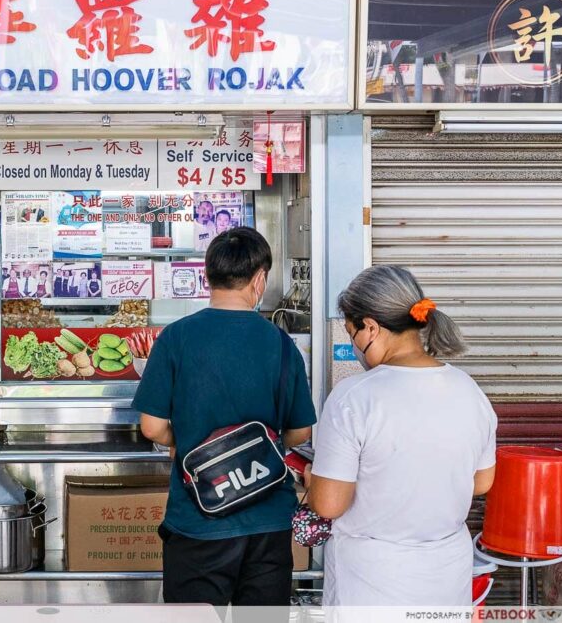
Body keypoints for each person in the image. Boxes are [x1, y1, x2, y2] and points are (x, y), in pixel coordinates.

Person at [133, 227, 316, 606]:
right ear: (260, 279)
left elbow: (151, 427)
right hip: (267, 520)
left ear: (206, 277)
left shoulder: (175, 337)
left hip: (199, 518)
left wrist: (182, 442)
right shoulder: (282, 344)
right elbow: (300, 432)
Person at [304, 265, 497, 606]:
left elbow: (329, 504)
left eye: (352, 333)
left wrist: (312, 480)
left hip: (373, 581)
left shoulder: (354, 397)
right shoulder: (469, 390)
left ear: (371, 327)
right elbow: (481, 482)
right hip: (446, 574)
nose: (354, 345)